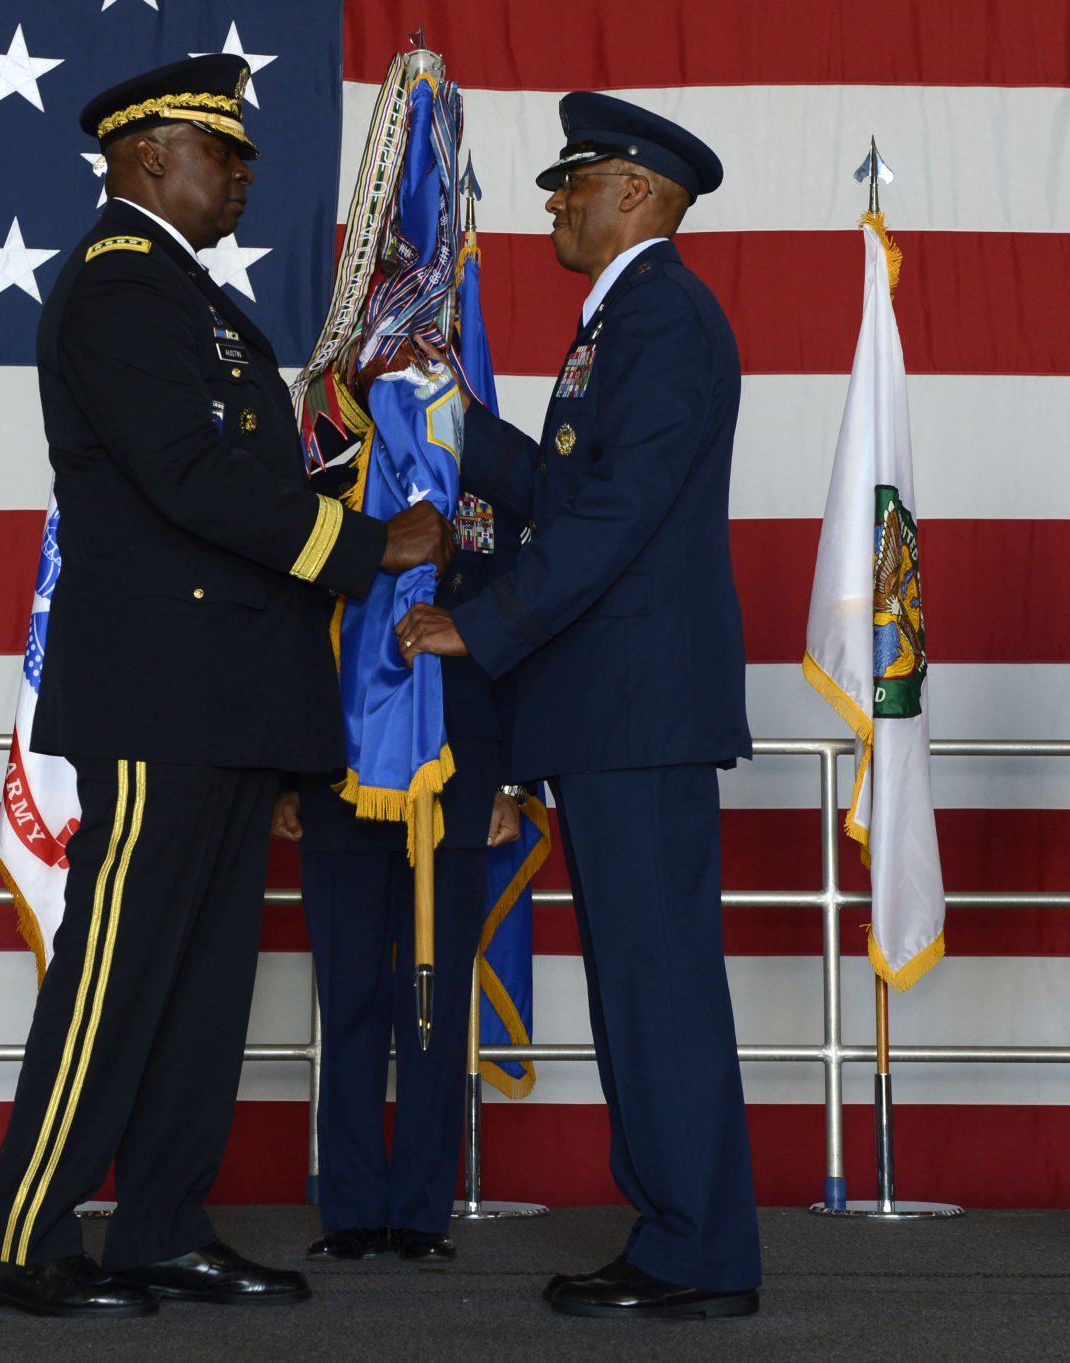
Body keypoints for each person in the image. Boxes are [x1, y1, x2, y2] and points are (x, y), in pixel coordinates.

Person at [0, 54, 451, 1319]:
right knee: (117, 973)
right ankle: (15, 1233)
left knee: (201, 982)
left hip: (223, 693)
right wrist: (359, 546)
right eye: (217, 150)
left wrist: (365, 477)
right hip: (155, 692)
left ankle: (161, 1226)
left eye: (239, 154)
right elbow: (186, 475)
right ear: (139, 159)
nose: (239, 172)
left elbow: (254, 481)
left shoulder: (197, 303)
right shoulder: (121, 290)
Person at [397, 91, 760, 1319]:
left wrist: (484, 623)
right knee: (638, 981)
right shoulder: (626, 321)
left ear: (638, 196)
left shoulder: (663, 319)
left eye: (575, 181)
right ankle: (677, 1235)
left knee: (655, 982)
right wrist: (454, 419)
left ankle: (695, 1250)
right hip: (615, 711)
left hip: (638, 714)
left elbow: (611, 515)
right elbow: (568, 483)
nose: (554, 199)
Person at [273, 491, 526, 1263]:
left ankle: (421, 1211)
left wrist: (511, 779)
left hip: (456, 764)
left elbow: (515, 613)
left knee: (437, 994)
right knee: (347, 991)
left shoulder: (478, 467)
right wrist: (284, 774)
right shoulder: (333, 466)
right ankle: (348, 1209)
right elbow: (291, 623)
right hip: (336, 764)